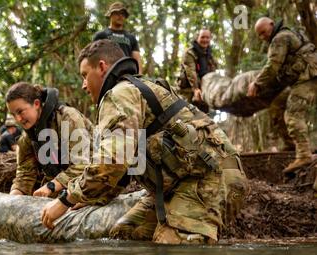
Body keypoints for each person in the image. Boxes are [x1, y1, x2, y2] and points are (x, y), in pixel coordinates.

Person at [41, 40, 247, 244]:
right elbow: (122, 173)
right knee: (128, 233)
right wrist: (88, 197)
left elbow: (111, 163)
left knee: (175, 252)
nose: (84, 85)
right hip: (179, 184)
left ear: (102, 67)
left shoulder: (119, 94)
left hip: (210, 179)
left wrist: (66, 200)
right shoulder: (131, 92)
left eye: (85, 75)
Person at [7, 82, 120, 201]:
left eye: (20, 112)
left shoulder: (68, 118)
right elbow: (25, 173)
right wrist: (14, 196)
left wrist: (51, 186)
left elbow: (82, 165)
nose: (18, 119)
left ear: (36, 104)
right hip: (64, 190)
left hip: (95, 186)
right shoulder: (28, 136)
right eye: (13, 114)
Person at [247, 17, 317, 173]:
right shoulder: (288, 34)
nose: (262, 37)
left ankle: (304, 155)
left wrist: (257, 83)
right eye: (259, 35)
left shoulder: (280, 38)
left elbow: (273, 65)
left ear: (272, 25)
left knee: (293, 115)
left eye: (263, 32)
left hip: (308, 77)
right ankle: (291, 145)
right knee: (279, 104)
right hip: (308, 76)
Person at [93, 2, 142, 72]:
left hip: (127, 75)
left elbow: (137, 59)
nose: (120, 16)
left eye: (122, 14)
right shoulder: (101, 35)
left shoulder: (131, 37)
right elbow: (93, 57)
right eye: (117, 13)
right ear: (110, 15)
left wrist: (139, 77)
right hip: (107, 73)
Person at [177, 29, 218, 111]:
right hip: (187, 91)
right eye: (202, 37)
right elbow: (191, 72)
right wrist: (196, 89)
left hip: (204, 90)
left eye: (207, 37)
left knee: (205, 117)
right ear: (197, 38)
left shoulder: (210, 55)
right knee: (187, 115)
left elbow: (213, 72)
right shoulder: (189, 53)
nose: (205, 40)